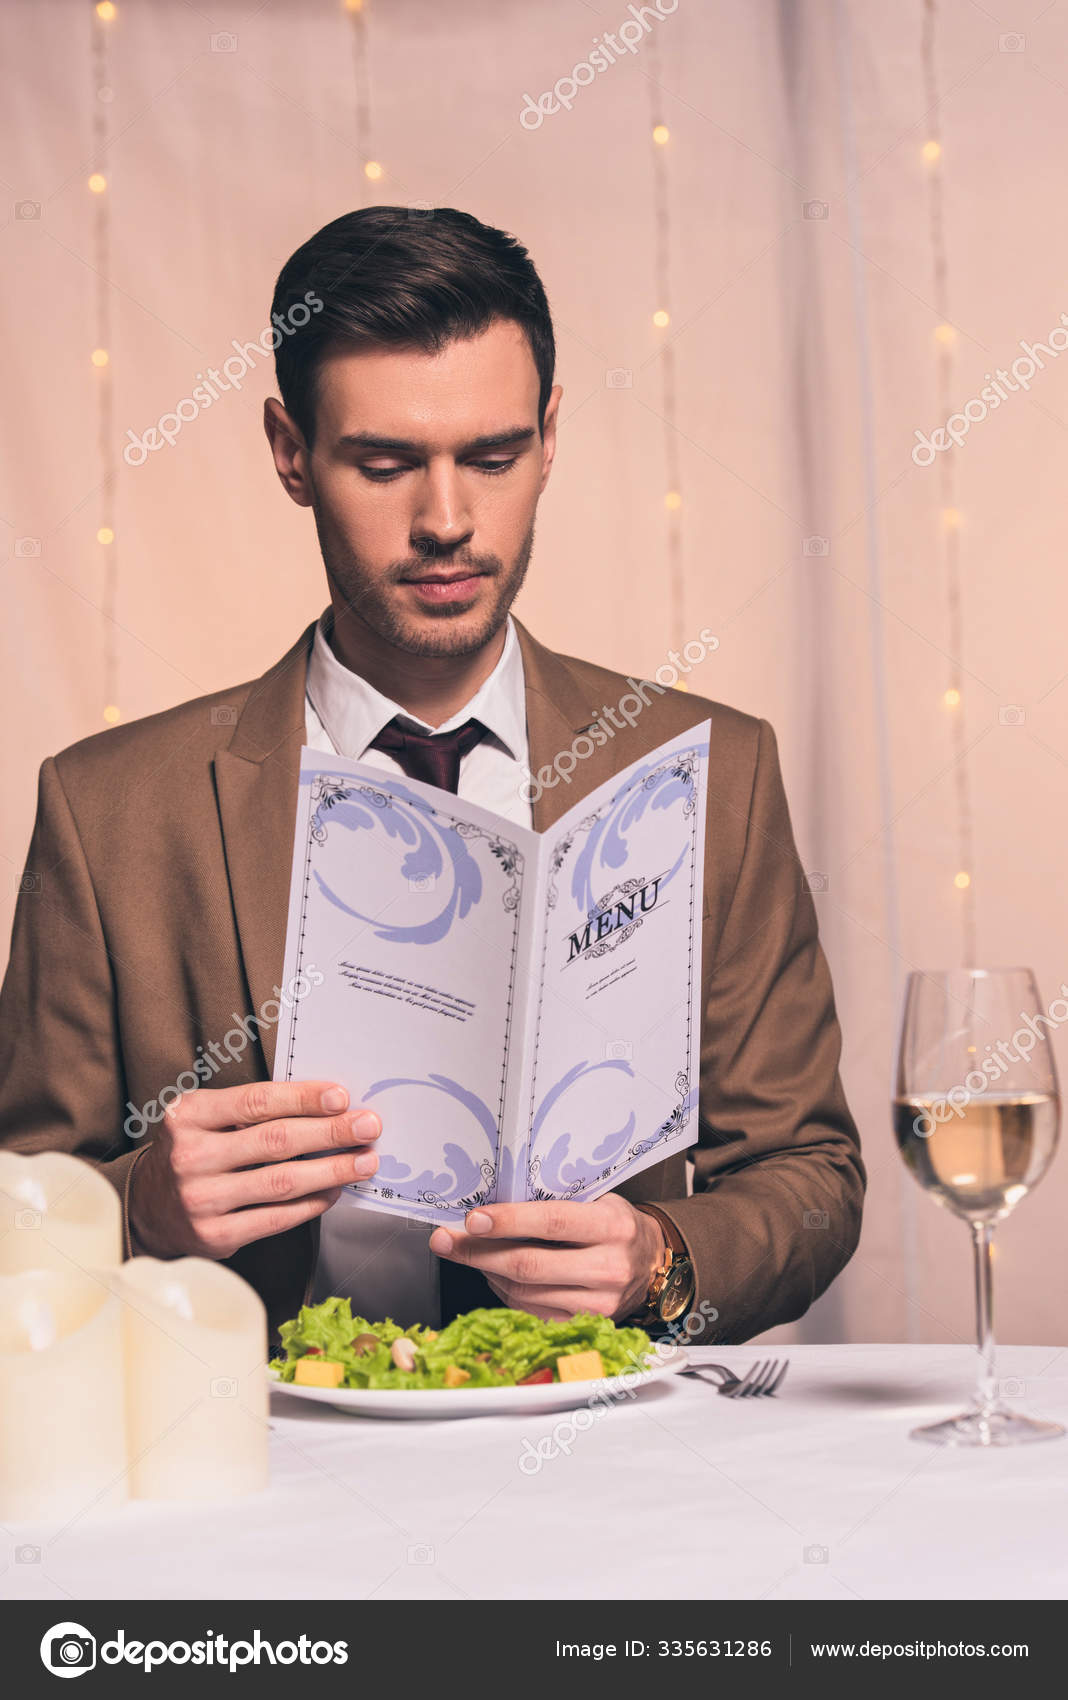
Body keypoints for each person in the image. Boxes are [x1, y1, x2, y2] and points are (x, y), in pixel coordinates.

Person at [0, 206, 864, 1346]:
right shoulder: (109, 809)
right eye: (385, 462)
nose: (447, 520)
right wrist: (141, 1205)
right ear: (290, 452)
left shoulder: (713, 770)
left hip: (607, 1459)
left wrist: (663, 1259)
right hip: (257, 1470)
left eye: (493, 458)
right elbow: (18, 1216)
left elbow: (812, 1174)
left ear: (550, 438)